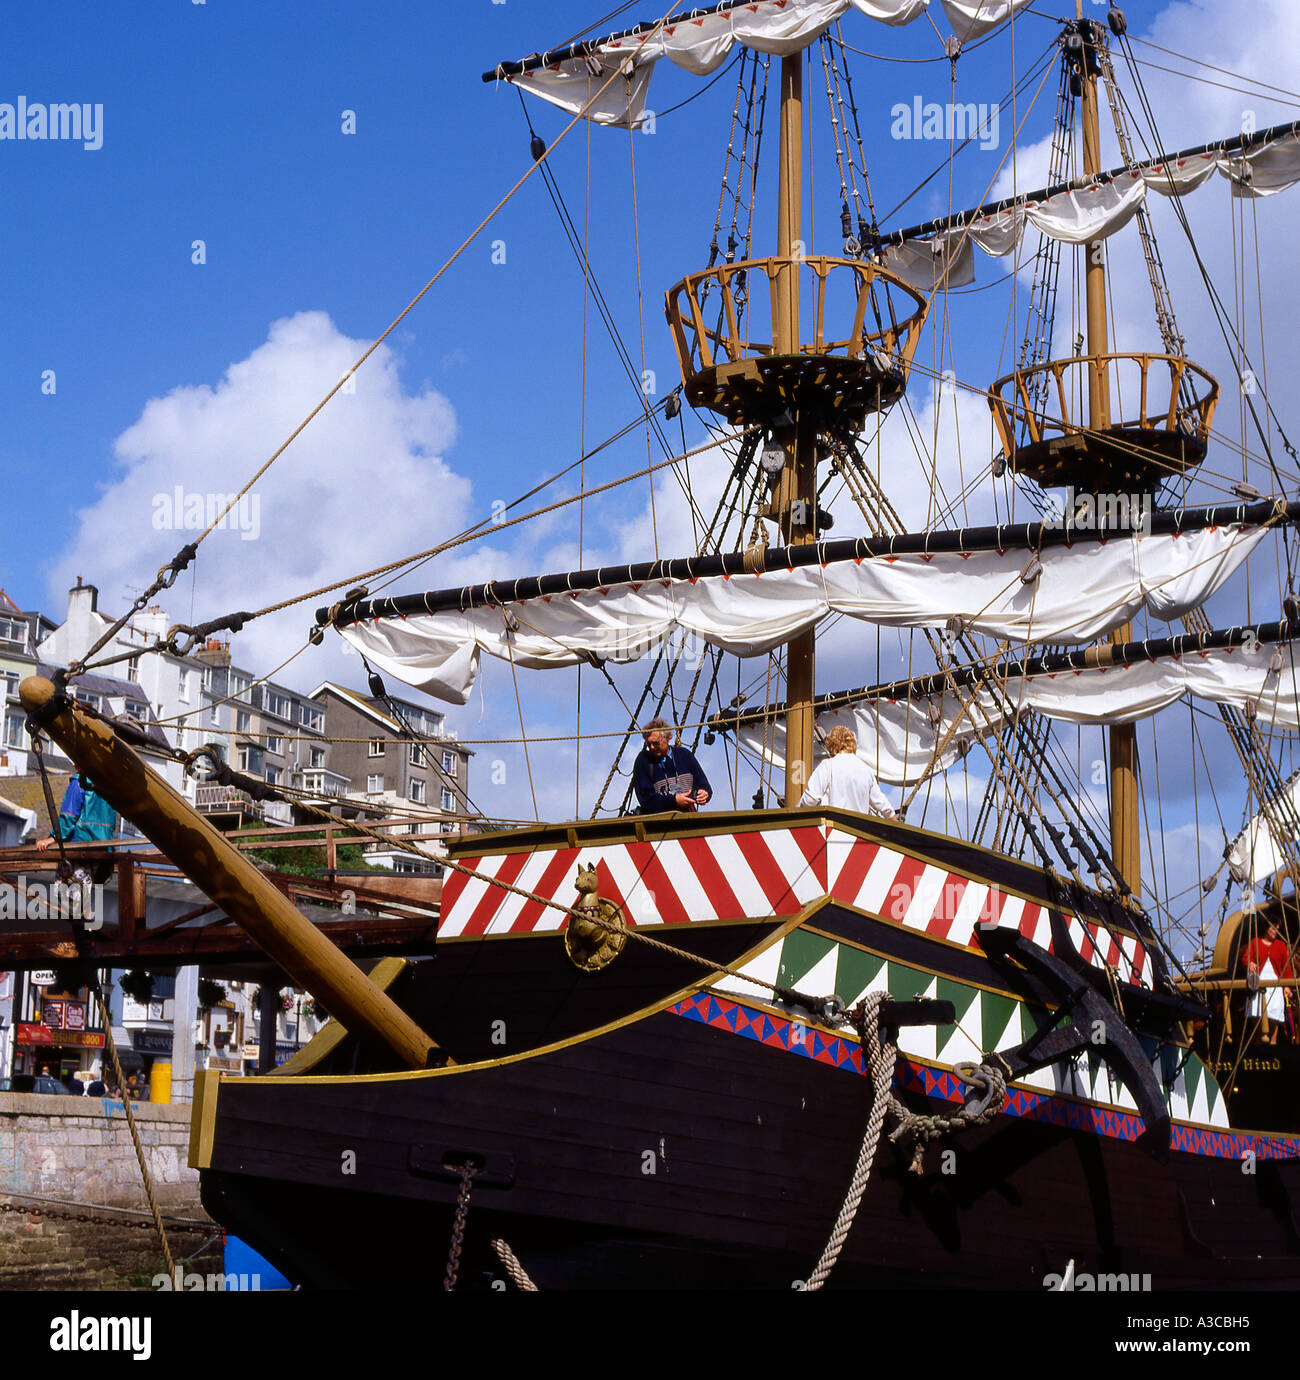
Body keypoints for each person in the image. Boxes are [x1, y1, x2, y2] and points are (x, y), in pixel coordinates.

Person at [798, 726, 896, 818]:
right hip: (859, 831)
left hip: (832, 830)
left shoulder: (828, 766)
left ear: (831, 744)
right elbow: (884, 806)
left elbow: (810, 800)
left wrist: (796, 817)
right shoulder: (866, 770)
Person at [631, 719, 712, 814]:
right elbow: (646, 800)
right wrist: (674, 801)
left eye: (656, 743)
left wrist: (704, 793)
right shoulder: (644, 762)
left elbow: (703, 784)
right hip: (659, 823)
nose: (652, 747)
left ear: (668, 738)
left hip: (689, 818)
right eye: (649, 744)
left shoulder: (684, 755)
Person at [1242, 917, 1295, 1045]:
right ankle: (1259, 1056)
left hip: (1275, 987)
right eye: (1273, 928)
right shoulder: (1255, 943)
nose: (1275, 931)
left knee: (1273, 1024)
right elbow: (1245, 958)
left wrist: (1286, 986)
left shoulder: (1281, 945)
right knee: (1258, 1027)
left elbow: (1286, 967)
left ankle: (1272, 1053)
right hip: (1258, 986)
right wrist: (1250, 963)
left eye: (1277, 928)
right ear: (1266, 928)